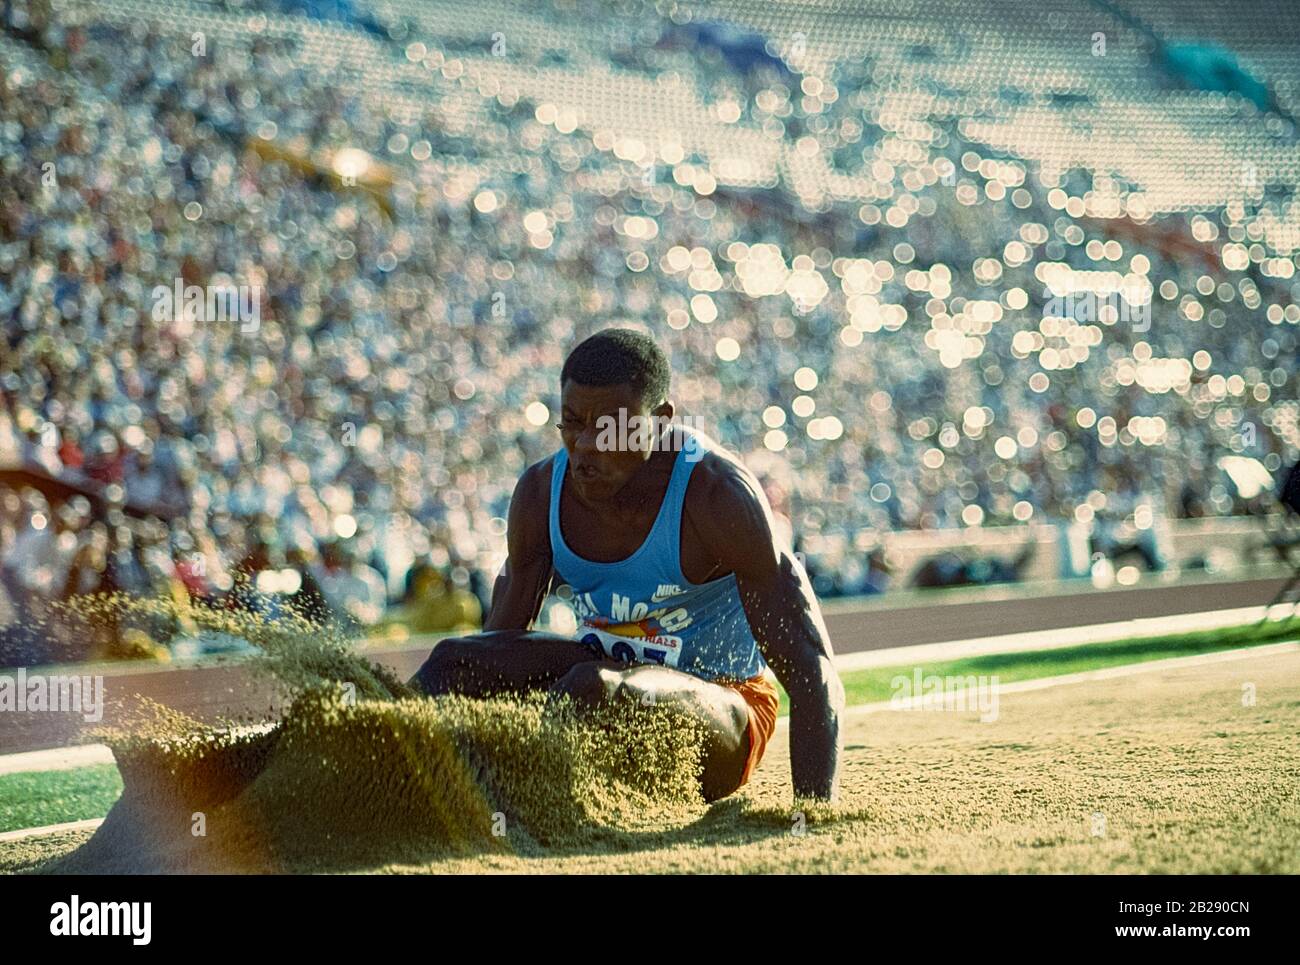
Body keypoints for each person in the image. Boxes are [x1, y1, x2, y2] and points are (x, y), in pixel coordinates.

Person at [410, 329, 844, 803]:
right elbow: (494, 652)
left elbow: (813, 672)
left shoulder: (717, 494)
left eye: (608, 428)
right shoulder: (539, 494)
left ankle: (527, 803)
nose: (585, 448)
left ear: (658, 421)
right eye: (572, 423)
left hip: (723, 711)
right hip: (598, 683)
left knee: (595, 691)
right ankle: (384, 788)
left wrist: (812, 813)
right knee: (453, 662)